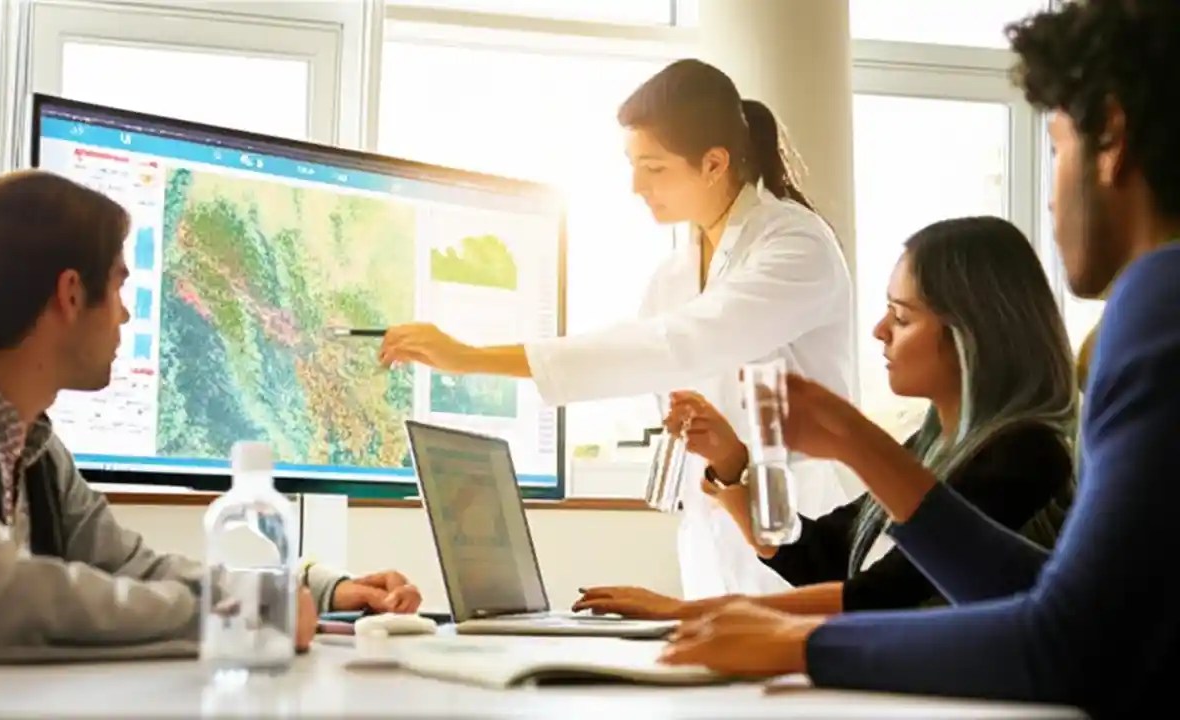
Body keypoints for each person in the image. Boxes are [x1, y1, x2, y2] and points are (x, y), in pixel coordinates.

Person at [657, 2, 1180, 717]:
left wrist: (802, 645)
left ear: (1111, 137)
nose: (1051, 202)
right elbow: (1050, 595)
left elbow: (1072, 644)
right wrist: (851, 440)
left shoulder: (1158, 301)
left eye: (1057, 149)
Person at [380, 58, 856, 599]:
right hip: (715, 535)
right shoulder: (674, 275)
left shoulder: (795, 245)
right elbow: (638, 363)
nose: (636, 186)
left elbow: (676, 346)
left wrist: (472, 358)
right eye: (632, 165)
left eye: (654, 168)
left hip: (802, 526)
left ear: (713, 163)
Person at [0, 169, 422, 660]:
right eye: (119, 286)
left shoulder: (35, 448)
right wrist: (237, 614)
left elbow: (131, 568)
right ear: (71, 293)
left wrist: (301, 591)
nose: (126, 313)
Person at [574, 216, 1077, 620]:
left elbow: (882, 596)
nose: (879, 330)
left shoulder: (1025, 455)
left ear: (972, 335)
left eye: (901, 317)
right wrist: (732, 464)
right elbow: (822, 555)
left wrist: (688, 612)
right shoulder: (931, 448)